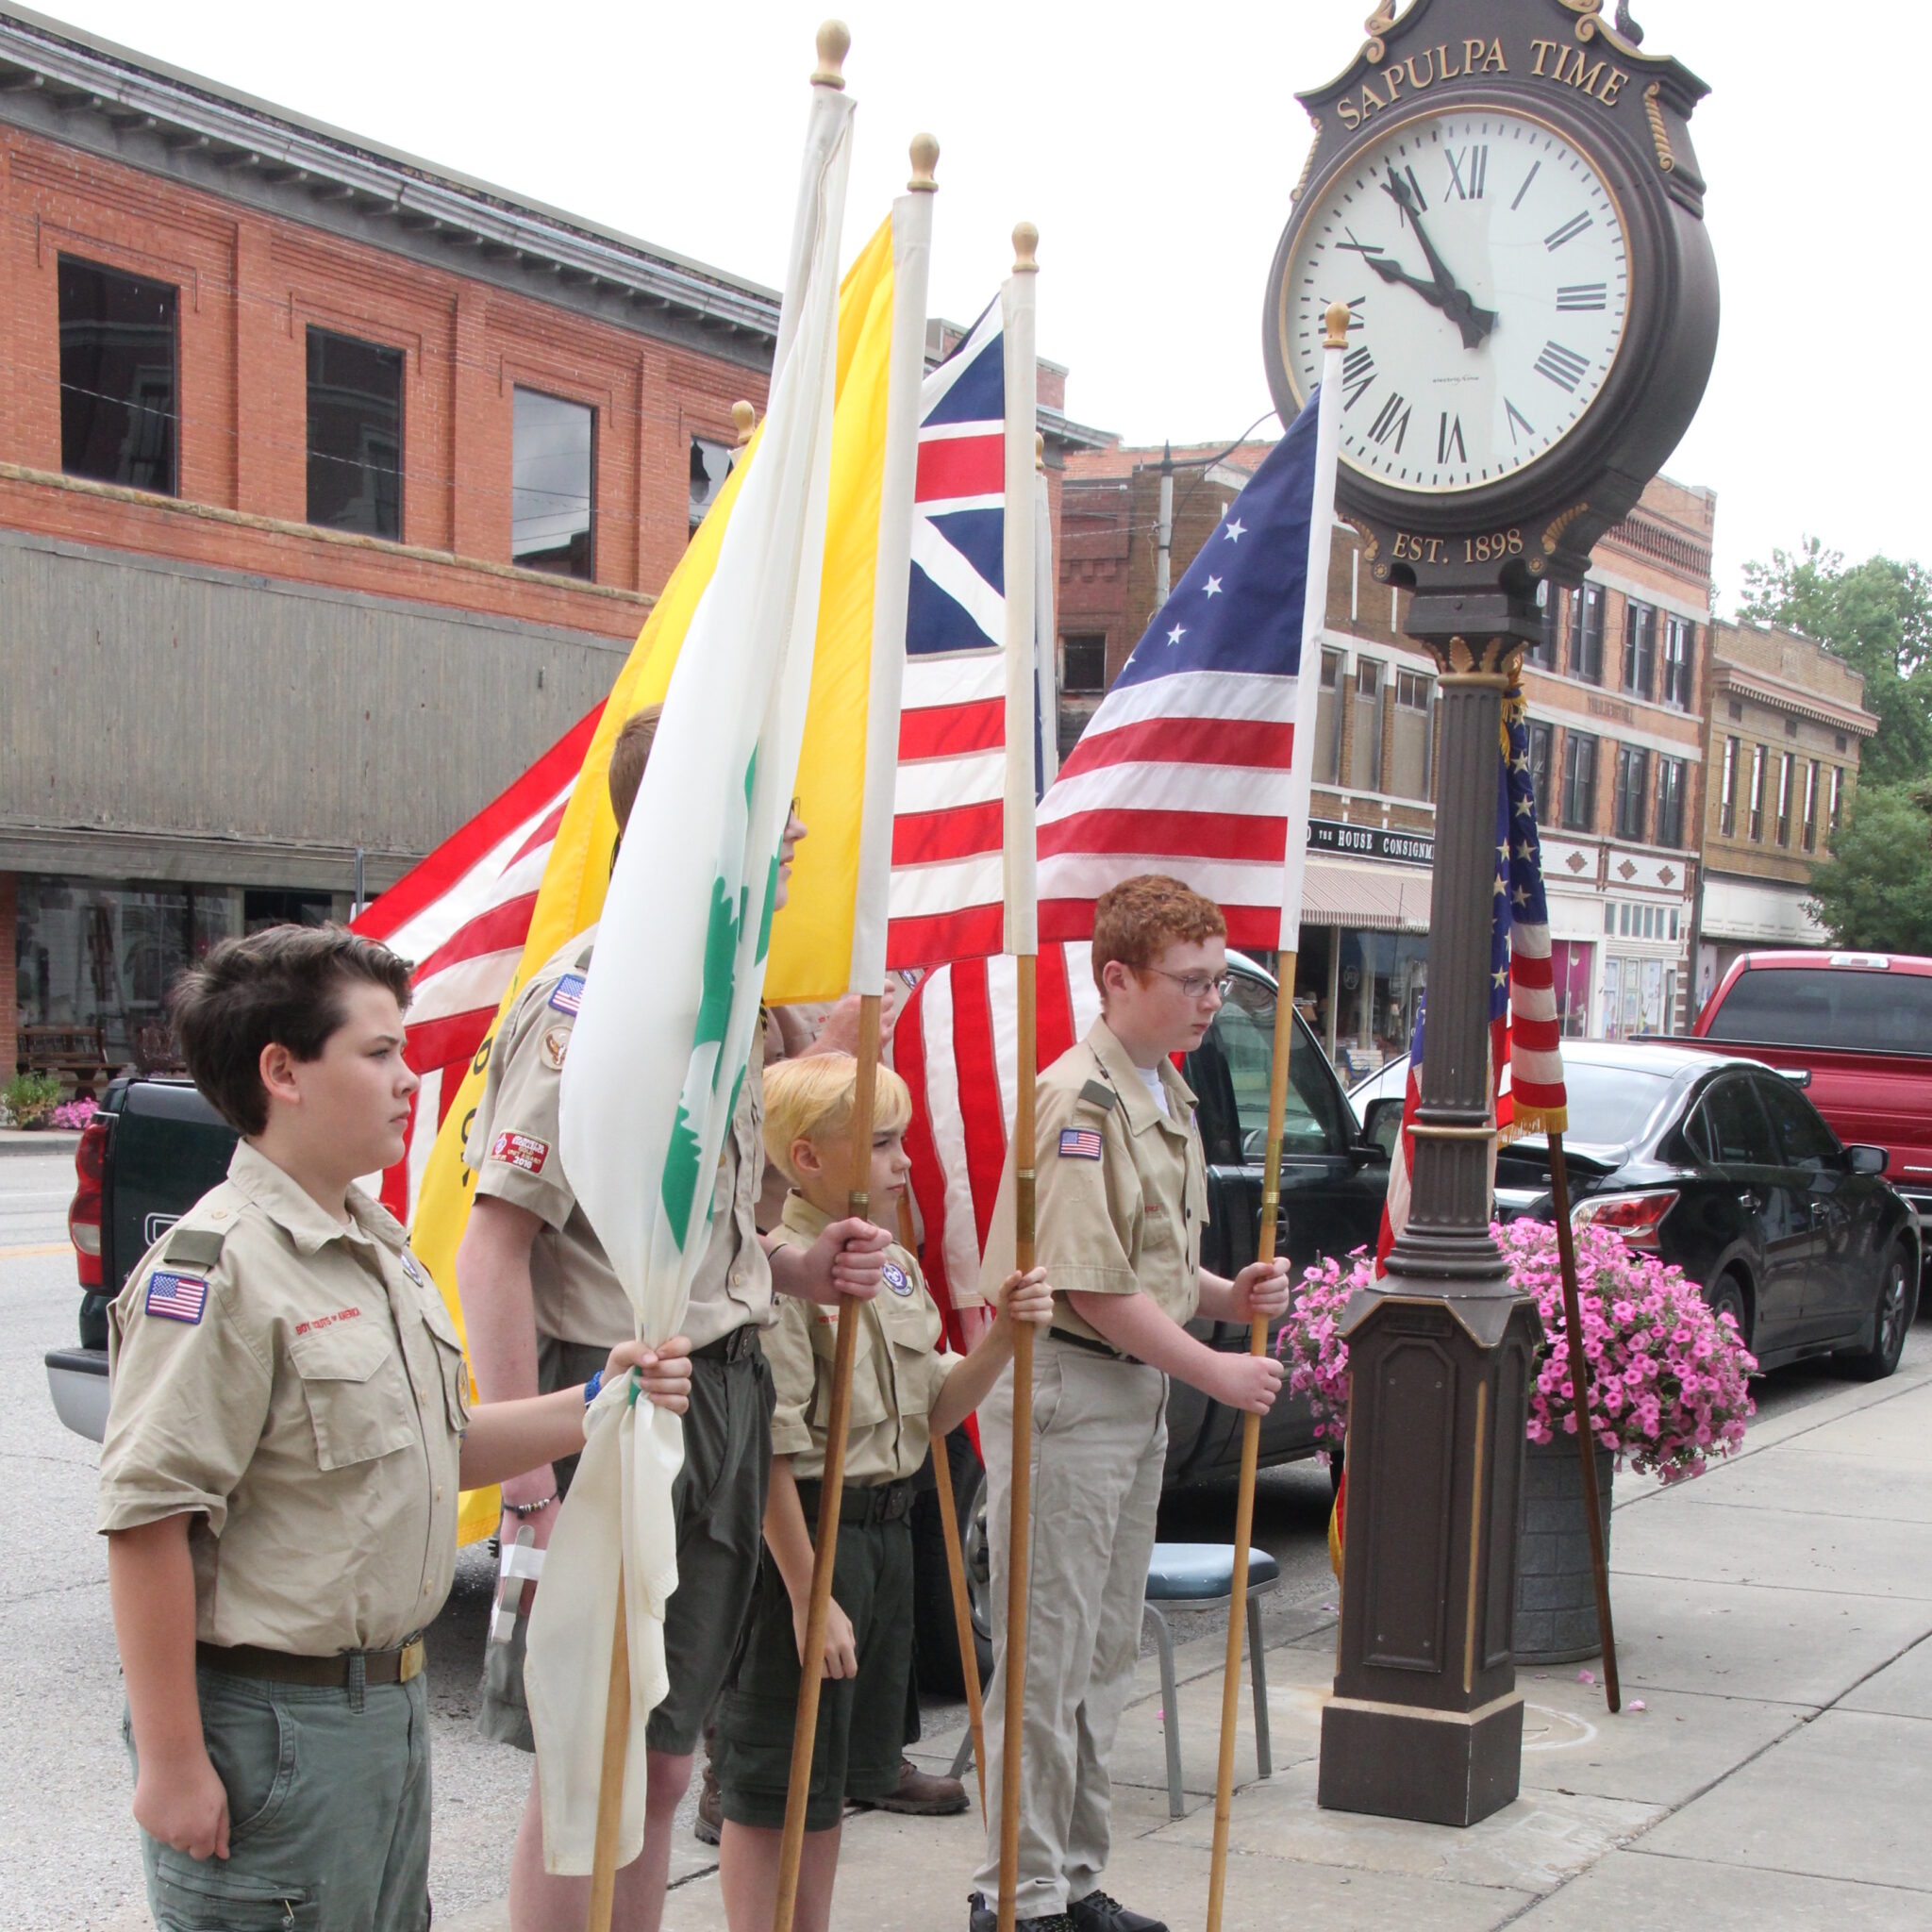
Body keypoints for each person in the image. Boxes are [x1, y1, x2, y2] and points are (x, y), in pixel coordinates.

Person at [98, 924, 695, 1932]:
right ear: (281, 1071)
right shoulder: (218, 1270)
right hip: (273, 1727)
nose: (408, 1076)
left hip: (382, 1714)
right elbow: (147, 1519)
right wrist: (169, 1759)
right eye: (376, 1052)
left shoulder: (371, 1242)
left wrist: (594, 1404)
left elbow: (432, 1444)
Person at [458, 706, 890, 1932]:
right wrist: (535, 1482)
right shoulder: (599, 1003)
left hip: (722, 1395)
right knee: (596, 1764)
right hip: (615, 1402)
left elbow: (690, 1236)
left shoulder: (726, 1001)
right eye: (770, 812)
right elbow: (497, 1247)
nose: (799, 830)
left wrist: (798, 1271)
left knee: (660, 1757)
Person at [963, 874, 1293, 1932]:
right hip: (1069, 1395)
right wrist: (1215, 1368)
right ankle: (1013, 1895)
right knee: (1043, 1658)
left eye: (1215, 982)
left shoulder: (1163, 1090)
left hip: (1128, 1404)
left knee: (1102, 1655)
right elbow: (1089, 1287)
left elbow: (1144, 1261)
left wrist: (1222, 1295)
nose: (1209, 1002)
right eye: (1190, 981)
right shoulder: (1080, 1101)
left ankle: (1072, 1877)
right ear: (1116, 977)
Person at [714, 1054, 1053, 1932]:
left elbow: (933, 1411)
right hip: (807, 1542)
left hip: (885, 1540)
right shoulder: (779, 1272)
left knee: (831, 1783)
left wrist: (1002, 1340)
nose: (904, 1162)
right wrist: (807, 1591)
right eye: (881, 1143)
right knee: (773, 1781)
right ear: (808, 1159)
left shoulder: (891, 1265)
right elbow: (770, 1451)